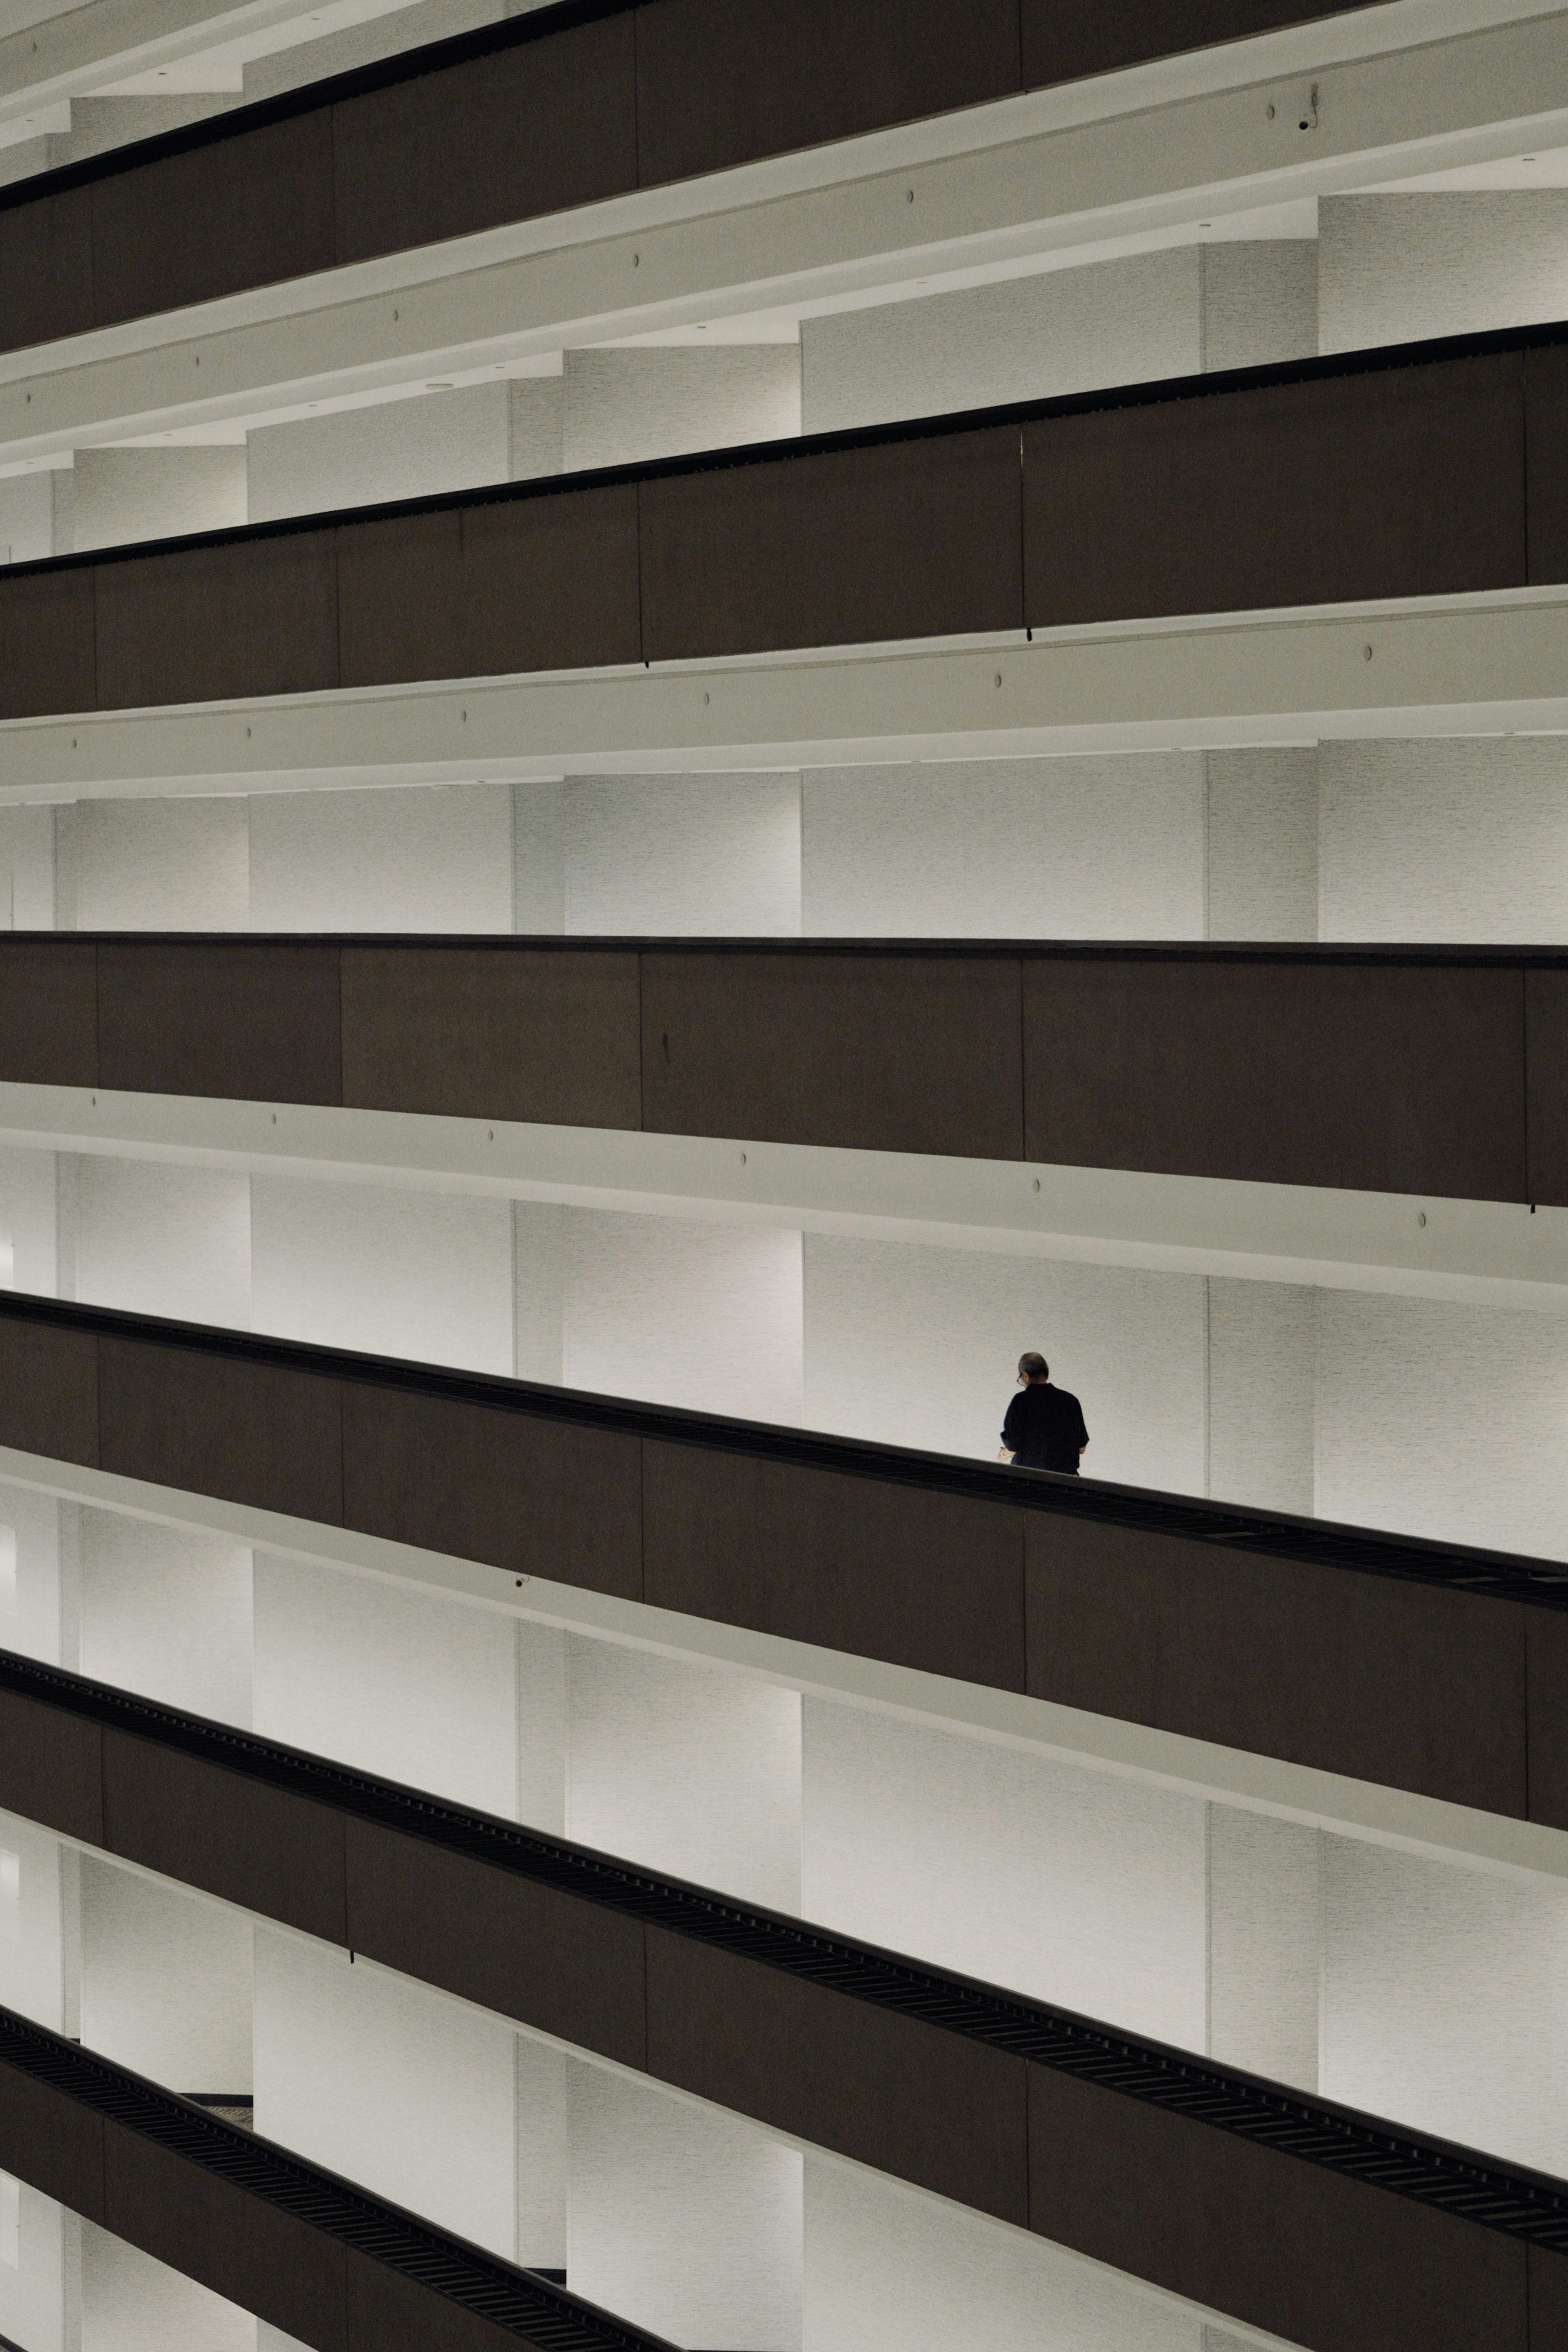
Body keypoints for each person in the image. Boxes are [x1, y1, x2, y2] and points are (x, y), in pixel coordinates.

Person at [998, 1352, 1088, 1474]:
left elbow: (1013, 1445)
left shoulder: (1021, 1401)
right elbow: (1081, 1448)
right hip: (1066, 1482)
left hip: (1029, 1481)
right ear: (1046, 1373)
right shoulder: (1071, 1401)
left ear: (1025, 1376)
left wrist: (1003, 1455)